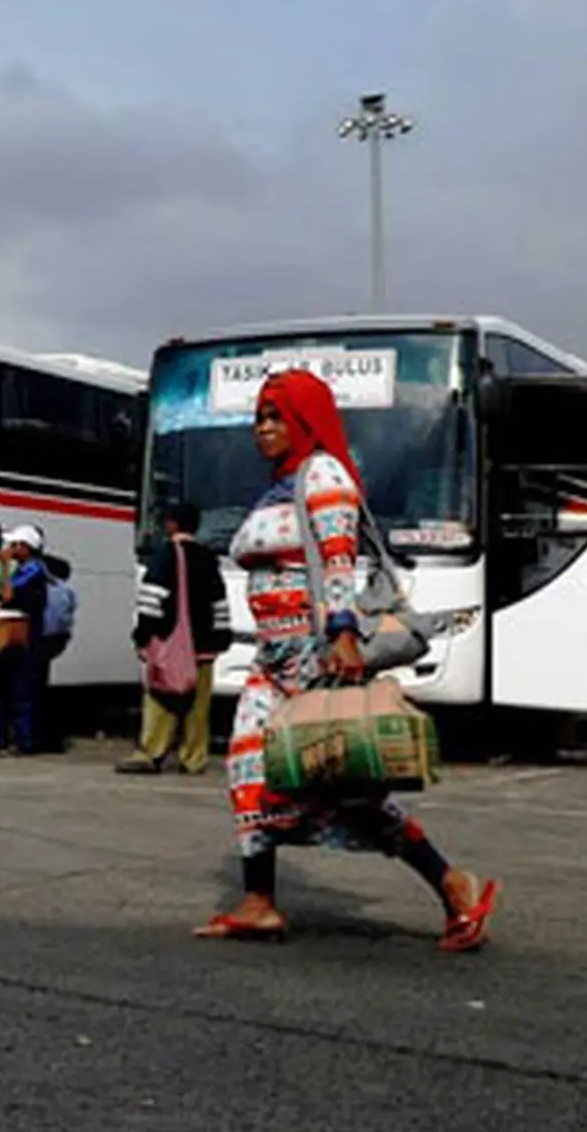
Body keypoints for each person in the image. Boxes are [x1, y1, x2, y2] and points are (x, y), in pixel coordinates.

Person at [196, 369, 499, 951]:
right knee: (247, 772)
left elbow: (337, 558)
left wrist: (340, 631)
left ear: (306, 419)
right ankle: (259, 901)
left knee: (343, 792)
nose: (262, 429)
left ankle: (451, 884)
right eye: (258, 417)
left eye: (276, 416)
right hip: (272, 659)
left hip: (314, 656)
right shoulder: (276, 487)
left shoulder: (322, 473)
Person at [122, 501, 228, 774]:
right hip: (203, 646)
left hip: (168, 642)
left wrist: (143, 635)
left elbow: (151, 600)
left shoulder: (165, 555)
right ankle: (194, 757)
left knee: (160, 698)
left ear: (172, 524)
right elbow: (219, 603)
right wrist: (219, 639)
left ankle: (152, 751)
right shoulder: (208, 559)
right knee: (198, 706)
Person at [0, 524, 52, 757]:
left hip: (26, 641)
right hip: (10, 640)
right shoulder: (20, 571)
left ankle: (23, 741)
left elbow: (8, 596)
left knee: (21, 694)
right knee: (0, 690)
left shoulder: (33, 572)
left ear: (26, 547)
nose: (8, 549)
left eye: (14, 545)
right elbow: (1, 599)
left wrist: (3, 565)